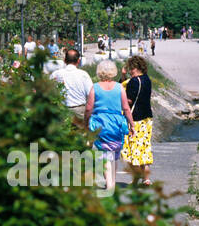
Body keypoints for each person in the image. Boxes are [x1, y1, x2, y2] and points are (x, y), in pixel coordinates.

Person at [86, 59, 135, 195]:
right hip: (116, 123)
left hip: (100, 123)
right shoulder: (119, 88)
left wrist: (86, 122)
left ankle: (109, 185)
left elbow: (89, 108)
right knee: (113, 155)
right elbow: (126, 108)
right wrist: (132, 124)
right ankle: (111, 183)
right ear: (114, 72)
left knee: (106, 154)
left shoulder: (95, 87)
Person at [123, 55, 154, 184]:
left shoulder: (134, 82)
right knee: (144, 148)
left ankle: (136, 178)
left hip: (135, 118)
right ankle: (146, 179)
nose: (130, 71)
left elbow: (129, 99)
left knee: (133, 148)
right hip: (147, 118)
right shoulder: (147, 79)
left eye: (131, 68)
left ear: (135, 68)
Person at [58, 48, 93, 118]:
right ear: (78, 61)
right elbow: (91, 94)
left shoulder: (56, 74)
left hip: (62, 111)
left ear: (64, 60)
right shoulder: (83, 75)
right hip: (79, 111)